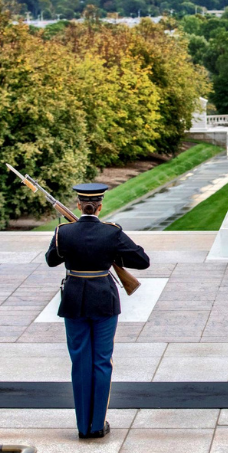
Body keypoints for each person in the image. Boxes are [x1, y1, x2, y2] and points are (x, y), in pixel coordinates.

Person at [45, 183, 150, 439]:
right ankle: (96, 426)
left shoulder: (64, 232)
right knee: (102, 361)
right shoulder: (111, 233)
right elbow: (143, 261)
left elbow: (51, 260)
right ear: (100, 206)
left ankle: (82, 427)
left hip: (73, 301)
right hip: (103, 300)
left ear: (78, 205)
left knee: (80, 361)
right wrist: (114, 254)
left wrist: (71, 242)